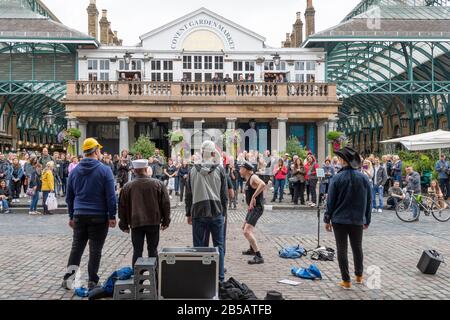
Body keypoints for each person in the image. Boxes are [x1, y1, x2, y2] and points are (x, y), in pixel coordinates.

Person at [62, 138, 117, 290]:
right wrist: (112, 216)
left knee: (76, 248)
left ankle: (68, 279)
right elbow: (111, 197)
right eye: (99, 150)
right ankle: (92, 281)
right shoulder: (105, 170)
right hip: (99, 216)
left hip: (79, 214)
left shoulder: (74, 171)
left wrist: (71, 215)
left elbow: (69, 197)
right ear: (96, 151)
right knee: (95, 249)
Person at [324, 146, 372, 290]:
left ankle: (346, 281)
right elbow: (369, 201)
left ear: (342, 161)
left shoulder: (337, 178)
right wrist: (367, 219)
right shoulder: (364, 177)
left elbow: (330, 201)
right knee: (357, 248)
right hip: (357, 219)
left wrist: (327, 218)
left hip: (339, 219)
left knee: (342, 249)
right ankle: (359, 276)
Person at [185, 141, 227, 283]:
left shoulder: (192, 170)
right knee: (219, 246)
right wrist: (224, 213)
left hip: (198, 212)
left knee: (199, 247)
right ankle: (220, 279)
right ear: (213, 154)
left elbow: (188, 194)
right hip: (216, 212)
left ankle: (200, 278)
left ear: (202, 153)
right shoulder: (220, 169)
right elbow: (224, 195)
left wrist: (188, 213)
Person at [119, 159, 171, 267]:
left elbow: (122, 207)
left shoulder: (127, 186)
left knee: (137, 251)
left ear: (134, 170)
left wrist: (123, 224)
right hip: (153, 221)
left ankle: (138, 279)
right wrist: (166, 221)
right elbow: (165, 203)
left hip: (136, 221)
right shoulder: (158, 184)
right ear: (146, 169)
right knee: (153, 250)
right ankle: (155, 276)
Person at [240, 161, 266, 264]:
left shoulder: (253, 177)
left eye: (241, 168)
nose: (239, 170)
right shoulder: (247, 180)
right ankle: (251, 249)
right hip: (252, 209)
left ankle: (259, 256)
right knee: (244, 228)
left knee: (247, 231)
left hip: (257, 208)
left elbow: (263, 184)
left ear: (246, 169)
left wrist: (254, 197)